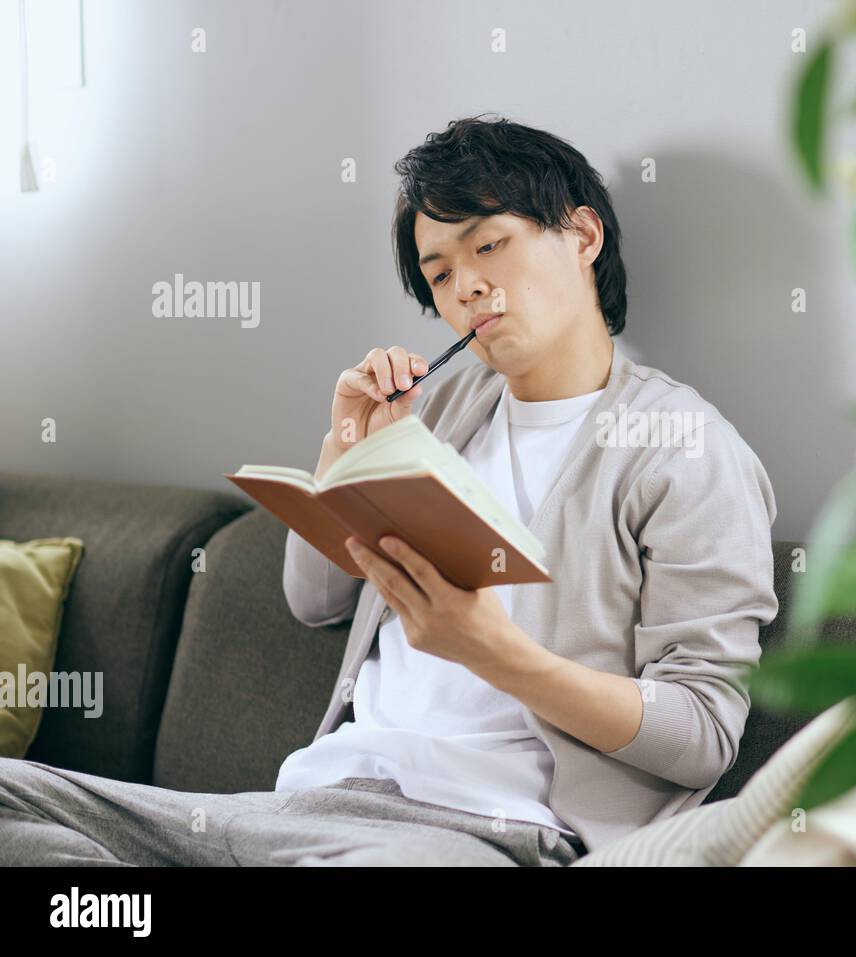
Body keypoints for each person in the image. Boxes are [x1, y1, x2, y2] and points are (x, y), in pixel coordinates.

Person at [0, 115, 780, 867]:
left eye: (490, 245)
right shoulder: (441, 408)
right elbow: (316, 598)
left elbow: (703, 731)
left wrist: (498, 654)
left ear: (583, 237)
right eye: (441, 274)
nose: (467, 286)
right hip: (310, 802)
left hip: (485, 830)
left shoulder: (686, 450)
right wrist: (347, 443)